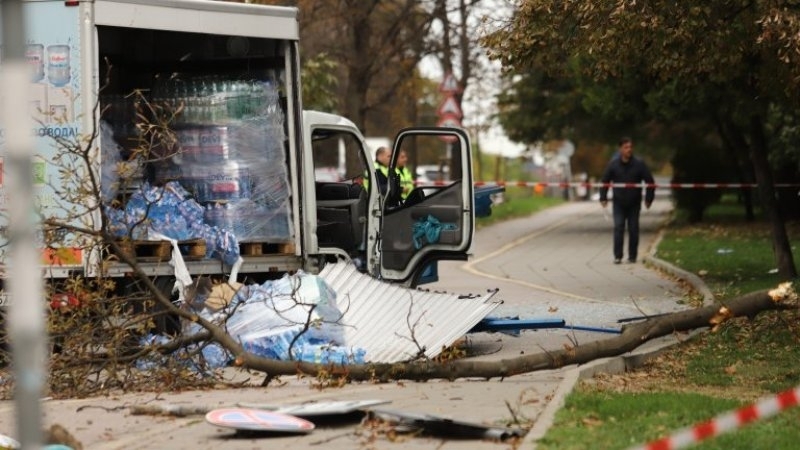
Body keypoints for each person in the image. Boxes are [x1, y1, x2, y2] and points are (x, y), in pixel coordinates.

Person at [599, 137, 655, 264]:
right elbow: (605, 181)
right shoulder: (613, 164)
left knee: (633, 228)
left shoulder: (639, 164)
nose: (629, 150)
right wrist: (603, 197)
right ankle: (618, 256)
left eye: (630, 147)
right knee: (618, 227)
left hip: (634, 202)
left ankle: (632, 256)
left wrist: (649, 199)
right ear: (620, 149)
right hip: (619, 202)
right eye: (626, 147)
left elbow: (650, 181)